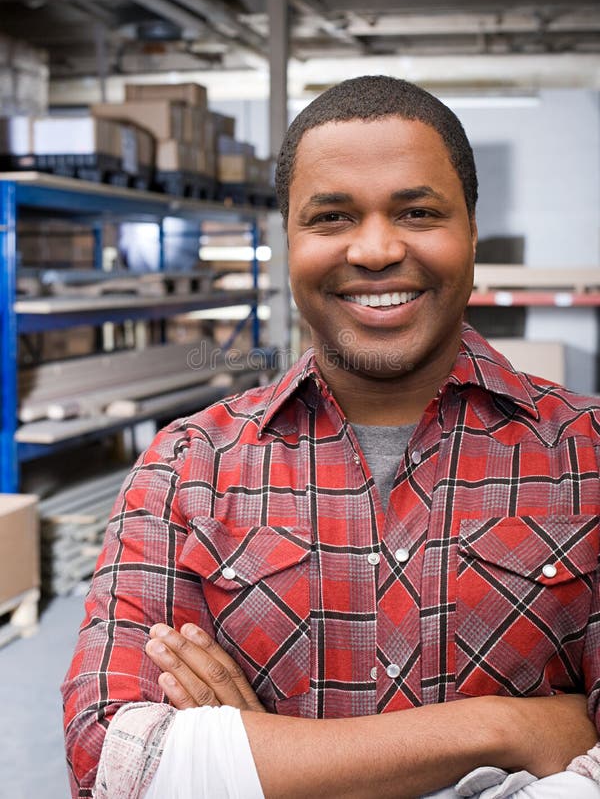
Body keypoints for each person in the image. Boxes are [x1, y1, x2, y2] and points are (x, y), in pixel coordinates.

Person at [62, 76, 600, 799]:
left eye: (416, 211)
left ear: (472, 230)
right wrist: (507, 730)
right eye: (332, 217)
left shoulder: (589, 453)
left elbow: (182, 773)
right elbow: (115, 760)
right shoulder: (188, 470)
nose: (375, 249)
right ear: (290, 241)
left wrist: (251, 762)